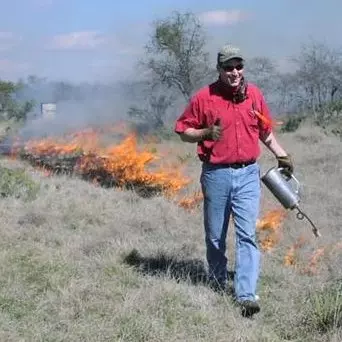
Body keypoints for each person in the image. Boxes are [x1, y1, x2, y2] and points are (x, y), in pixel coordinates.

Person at [174, 44, 293, 317]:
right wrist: (205, 132)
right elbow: (182, 131)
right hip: (216, 175)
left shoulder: (254, 95)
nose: (234, 72)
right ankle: (216, 283)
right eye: (228, 68)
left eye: (238, 67)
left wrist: (283, 156)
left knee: (247, 234)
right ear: (219, 70)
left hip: (249, 174)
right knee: (215, 237)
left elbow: (265, 131)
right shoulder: (204, 97)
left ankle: (246, 294)